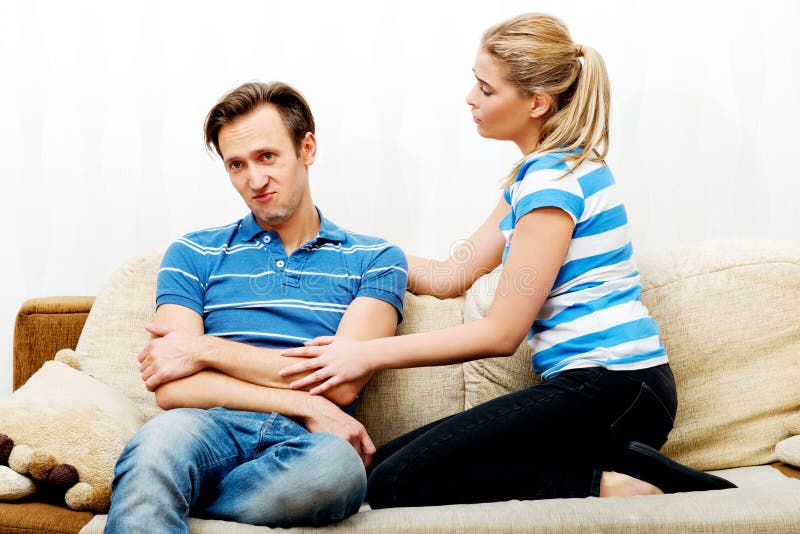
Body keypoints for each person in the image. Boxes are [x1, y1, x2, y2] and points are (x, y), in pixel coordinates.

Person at [278, 13, 737, 507]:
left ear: (536, 102)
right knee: (380, 467)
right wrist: (344, 248)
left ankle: (620, 481)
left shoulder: (551, 183)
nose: (470, 98)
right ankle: (615, 465)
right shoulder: (534, 176)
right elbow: (450, 275)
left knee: (395, 482)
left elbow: (501, 333)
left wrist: (363, 353)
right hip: (607, 391)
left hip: (617, 389)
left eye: (486, 89)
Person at [104, 81, 407, 532]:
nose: (255, 180)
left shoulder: (376, 260)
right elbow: (173, 388)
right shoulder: (193, 253)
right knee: (155, 446)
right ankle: (169, 493)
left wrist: (205, 351)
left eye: (268, 157)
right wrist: (309, 405)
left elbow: (337, 385)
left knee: (336, 472)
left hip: (306, 445)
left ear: (307, 148)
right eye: (237, 165)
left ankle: (182, 504)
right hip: (205, 430)